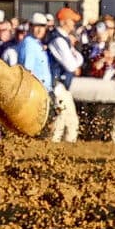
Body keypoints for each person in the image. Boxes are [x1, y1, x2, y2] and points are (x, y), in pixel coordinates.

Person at [45, 7, 83, 142]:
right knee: (61, 124)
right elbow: (71, 65)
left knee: (71, 123)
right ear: (64, 22)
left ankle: (64, 155)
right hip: (57, 87)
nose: (74, 24)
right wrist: (79, 58)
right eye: (72, 20)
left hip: (61, 87)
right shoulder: (58, 40)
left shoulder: (63, 38)